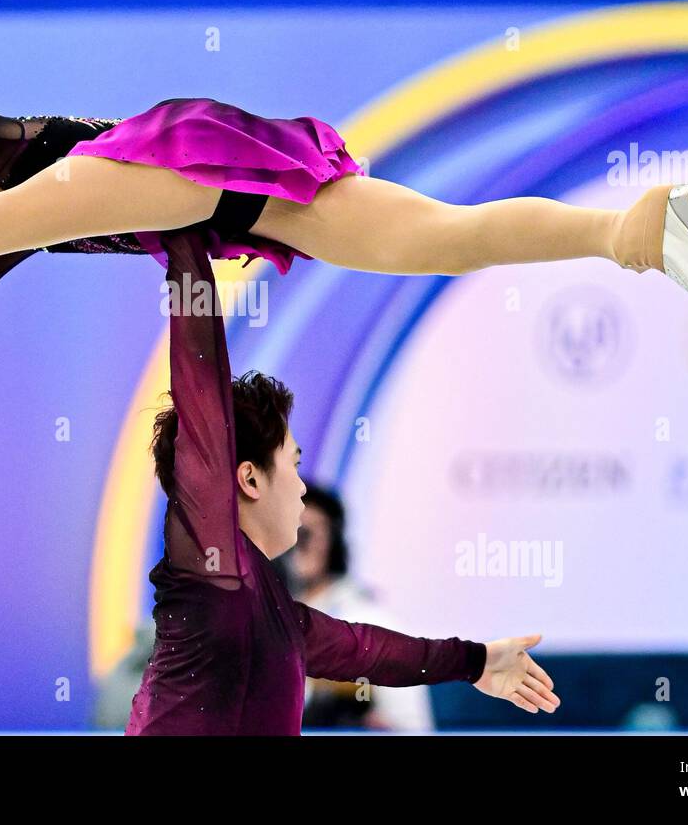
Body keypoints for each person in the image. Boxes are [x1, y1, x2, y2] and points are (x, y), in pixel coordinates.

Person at [0, 84, 688, 342]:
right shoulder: (7, 227)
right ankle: (641, 227)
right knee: (439, 240)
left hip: (163, 156)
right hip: (233, 204)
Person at [127, 227, 559, 734]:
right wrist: (184, 239)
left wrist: (477, 661)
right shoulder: (212, 569)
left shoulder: (274, 611)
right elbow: (199, 385)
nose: (303, 485)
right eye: (293, 462)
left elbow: (368, 649)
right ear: (248, 478)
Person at [284, 483, 437, 732]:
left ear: (333, 543)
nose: (297, 544)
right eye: (288, 531)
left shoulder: (372, 623)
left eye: (308, 533)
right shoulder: (254, 623)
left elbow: (414, 727)